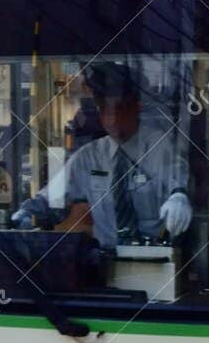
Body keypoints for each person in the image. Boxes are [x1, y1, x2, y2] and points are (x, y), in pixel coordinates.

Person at [57, 61, 192, 248]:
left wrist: (179, 195)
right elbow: (51, 196)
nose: (112, 117)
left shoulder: (159, 147)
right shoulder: (88, 157)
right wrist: (23, 214)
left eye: (119, 108)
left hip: (153, 262)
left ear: (135, 107)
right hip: (104, 263)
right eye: (105, 108)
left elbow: (177, 173)